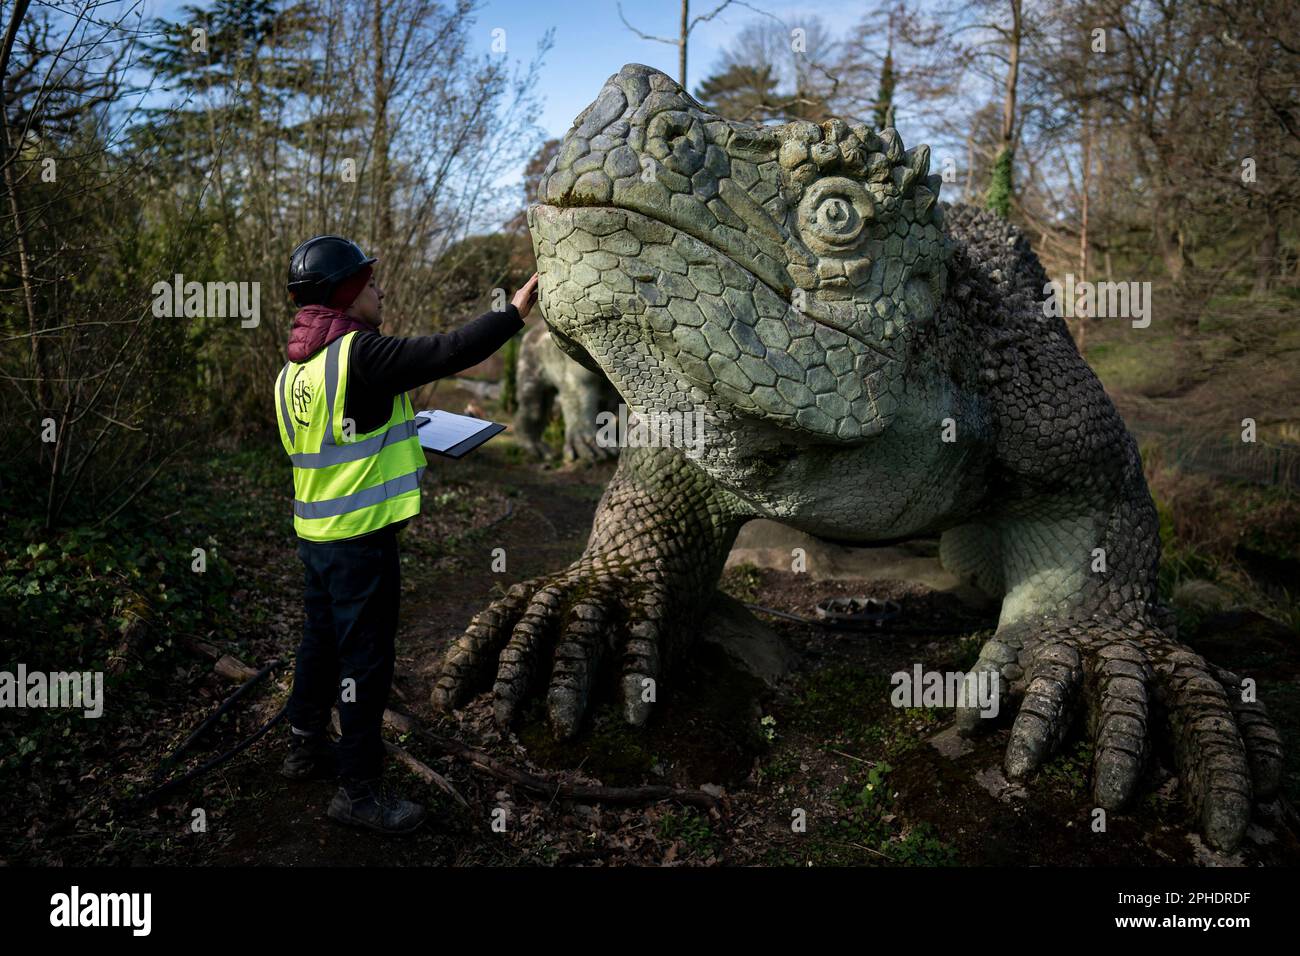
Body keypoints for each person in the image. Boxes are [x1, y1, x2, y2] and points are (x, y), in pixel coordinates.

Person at [273, 234, 537, 833]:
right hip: (360, 540)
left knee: (318, 644)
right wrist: (511, 315)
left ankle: (302, 745)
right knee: (365, 662)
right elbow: (443, 352)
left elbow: (336, 439)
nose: (382, 289)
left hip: (315, 538)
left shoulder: (295, 368)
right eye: (371, 283)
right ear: (345, 295)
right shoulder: (357, 355)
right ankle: (358, 793)